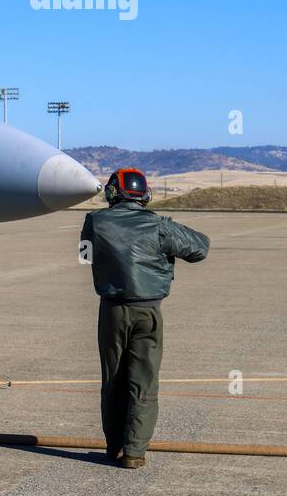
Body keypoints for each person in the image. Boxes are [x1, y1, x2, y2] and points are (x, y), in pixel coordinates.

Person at [80, 168, 209, 468]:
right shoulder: (158, 226)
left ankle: (113, 447)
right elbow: (201, 248)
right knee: (144, 382)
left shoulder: (95, 222)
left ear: (113, 194)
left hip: (111, 310)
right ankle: (135, 452)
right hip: (148, 312)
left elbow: (84, 257)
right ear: (144, 195)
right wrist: (165, 239)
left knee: (112, 378)